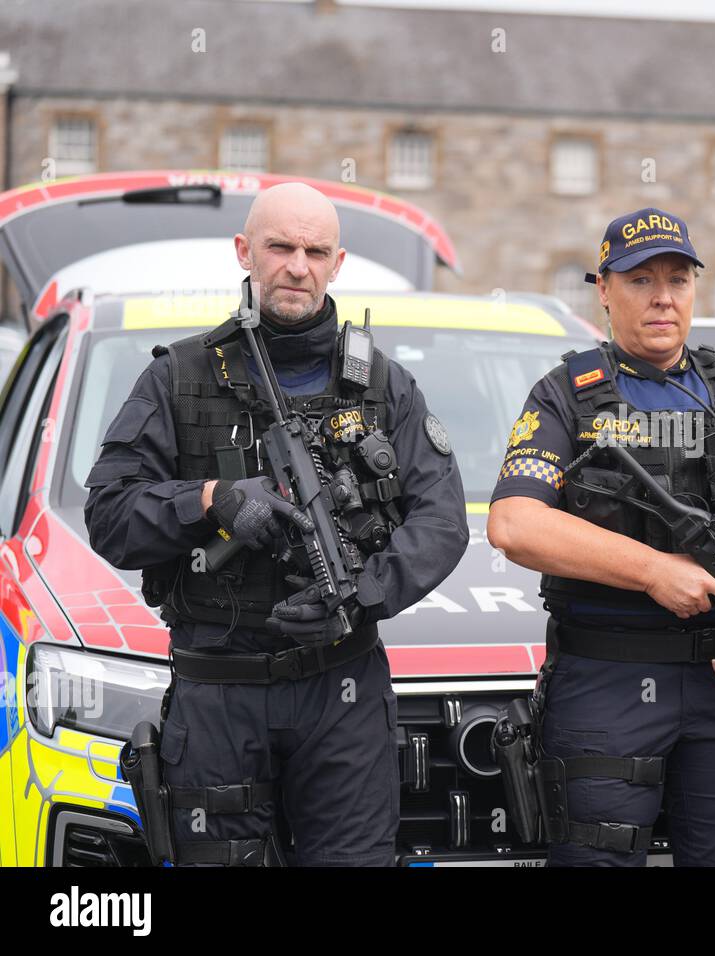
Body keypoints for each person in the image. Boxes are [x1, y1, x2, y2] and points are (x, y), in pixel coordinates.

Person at [85, 182, 469, 866]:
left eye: (315, 250)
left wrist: (358, 596)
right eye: (280, 247)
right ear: (245, 252)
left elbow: (441, 523)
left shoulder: (383, 386)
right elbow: (111, 516)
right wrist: (209, 500)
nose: (298, 266)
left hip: (341, 688)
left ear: (337, 262)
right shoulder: (178, 377)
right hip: (219, 691)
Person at [487, 208, 715, 866]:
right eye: (640, 280)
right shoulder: (567, 396)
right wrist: (656, 571)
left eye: (679, 279)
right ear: (603, 289)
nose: (663, 296)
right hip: (607, 676)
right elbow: (515, 523)